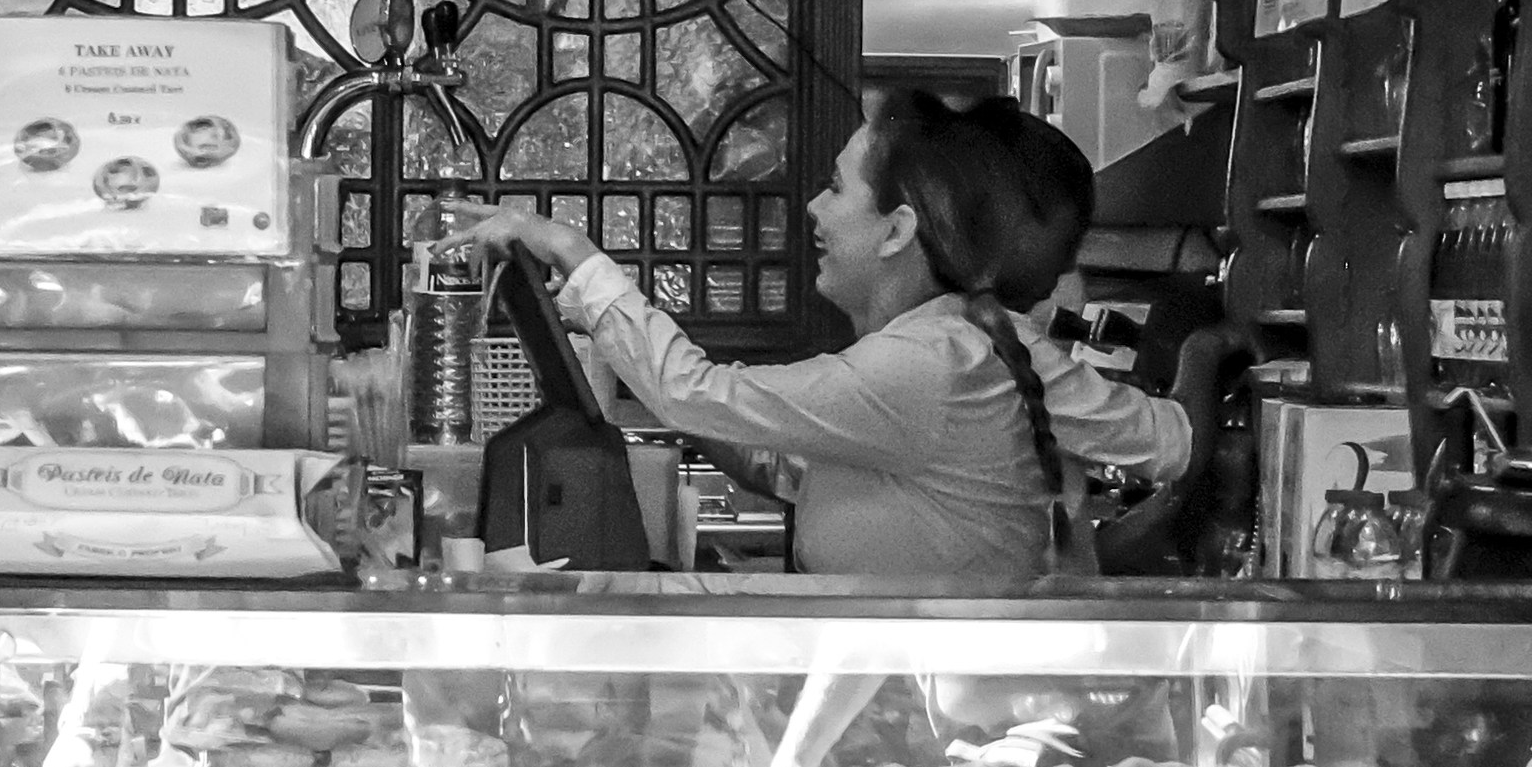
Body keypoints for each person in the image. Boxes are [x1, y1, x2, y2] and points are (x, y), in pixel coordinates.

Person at [463, 86, 1190, 593]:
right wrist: (618, 343)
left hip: (936, 700)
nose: (813, 206)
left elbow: (693, 391)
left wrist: (570, 248)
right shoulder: (939, 347)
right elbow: (787, 468)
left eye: (837, 187)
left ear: (896, 231)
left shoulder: (929, 363)